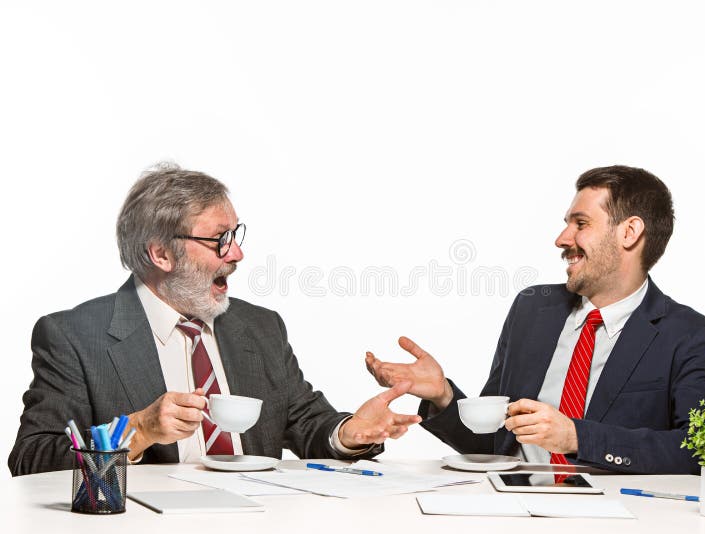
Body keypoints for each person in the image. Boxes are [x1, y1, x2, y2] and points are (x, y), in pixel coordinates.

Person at [9, 163, 420, 476]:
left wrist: (347, 433)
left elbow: (305, 422)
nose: (236, 254)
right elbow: (30, 459)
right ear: (161, 255)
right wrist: (136, 433)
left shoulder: (260, 327)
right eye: (218, 239)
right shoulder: (75, 336)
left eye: (236, 236)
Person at [366, 165, 705, 474]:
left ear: (629, 233)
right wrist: (444, 396)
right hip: (510, 507)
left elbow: (703, 450)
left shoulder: (690, 336)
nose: (561, 238)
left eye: (580, 223)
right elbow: (493, 445)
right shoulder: (533, 310)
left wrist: (576, 437)